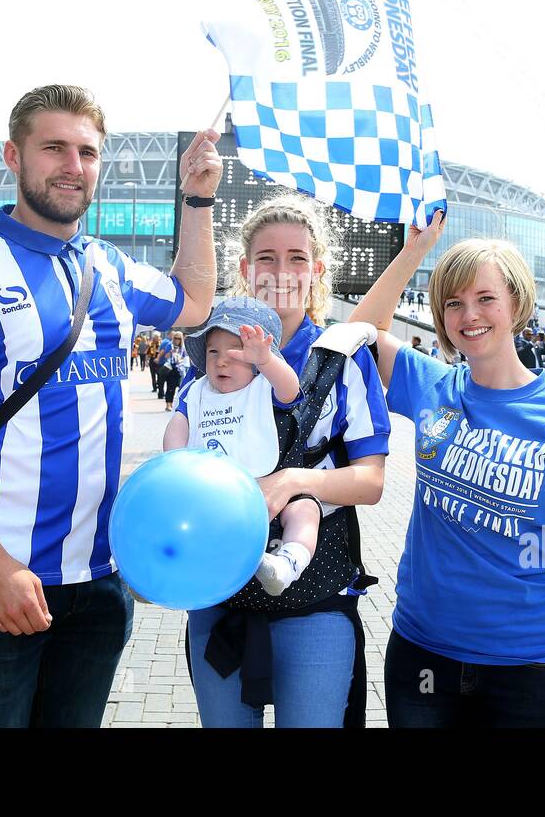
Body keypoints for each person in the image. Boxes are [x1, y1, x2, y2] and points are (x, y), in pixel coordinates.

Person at [0, 85, 222, 728]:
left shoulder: (110, 266)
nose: (73, 165)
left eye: (88, 152)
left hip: (97, 582)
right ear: (13, 156)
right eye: (55, 148)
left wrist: (198, 198)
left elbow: (195, 302)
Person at [349, 217, 545, 727]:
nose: (468, 315)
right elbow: (358, 333)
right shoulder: (432, 385)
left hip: (533, 669)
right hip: (422, 655)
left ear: (517, 305)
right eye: (453, 303)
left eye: (485, 298)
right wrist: (415, 252)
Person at [187, 192, 389, 729]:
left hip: (316, 598)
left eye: (297, 258)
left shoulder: (344, 359)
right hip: (221, 599)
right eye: (268, 258)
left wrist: (292, 481)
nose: (282, 271)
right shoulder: (213, 355)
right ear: (245, 269)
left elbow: (371, 482)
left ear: (317, 270)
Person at [164, 298, 311, 595]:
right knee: (174, 513)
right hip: (207, 489)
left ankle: (285, 566)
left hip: (259, 488)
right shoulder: (197, 391)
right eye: (213, 351)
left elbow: (291, 390)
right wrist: (174, 463)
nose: (221, 361)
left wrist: (266, 361)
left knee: (304, 508)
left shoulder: (263, 387)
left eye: (236, 353)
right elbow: (178, 424)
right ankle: (163, 567)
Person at [155, 331, 188, 411]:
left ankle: (178, 404)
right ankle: (168, 404)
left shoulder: (182, 347)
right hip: (170, 368)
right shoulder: (170, 345)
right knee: (170, 387)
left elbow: (185, 357)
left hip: (179, 369)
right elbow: (165, 356)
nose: (177, 340)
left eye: (179, 338)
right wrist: (170, 353)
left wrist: (180, 359)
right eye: (175, 338)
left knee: (181, 387)